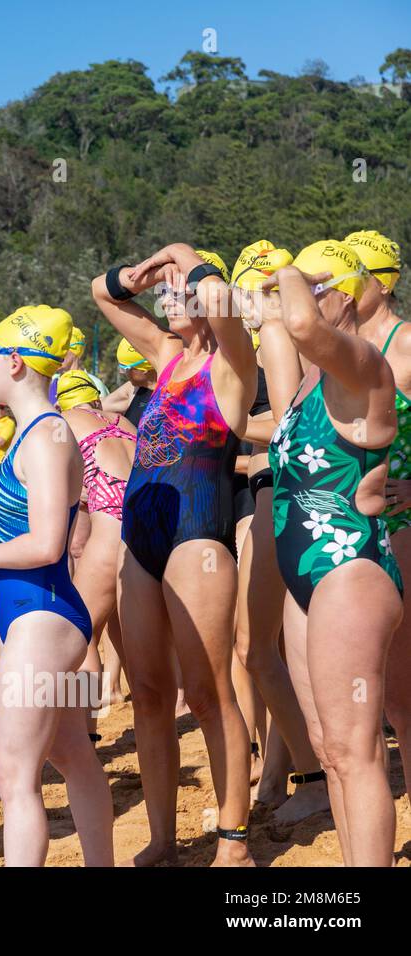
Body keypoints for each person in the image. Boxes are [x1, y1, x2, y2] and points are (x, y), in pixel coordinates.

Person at [93, 246, 257, 866]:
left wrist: (181, 255)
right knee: (151, 695)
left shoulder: (232, 363)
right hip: (143, 538)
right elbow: (102, 294)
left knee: (211, 691)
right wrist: (138, 273)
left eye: (177, 286)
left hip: (197, 536)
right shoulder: (165, 357)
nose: (167, 294)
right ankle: (163, 838)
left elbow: (222, 303)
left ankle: (234, 841)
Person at [0, 306, 112, 867]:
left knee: (14, 775)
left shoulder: (45, 436)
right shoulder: (40, 432)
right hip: (46, 615)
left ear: (15, 363)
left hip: (43, 619)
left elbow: (47, 542)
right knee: (74, 755)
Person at [262, 240, 402, 866]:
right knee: (328, 747)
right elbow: (276, 328)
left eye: (316, 287)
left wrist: (288, 271)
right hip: (304, 578)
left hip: (350, 570)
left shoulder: (363, 366)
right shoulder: (304, 384)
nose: (299, 299)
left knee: (356, 748)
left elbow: (298, 322)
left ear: (344, 294)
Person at [226, 241, 328, 821]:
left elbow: (287, 419)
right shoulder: (286, 335)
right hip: (283, 493)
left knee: (257, 647)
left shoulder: (272, 333)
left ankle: (310, 776)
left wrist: (221, 423)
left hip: (276, 491)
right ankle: (280, 771)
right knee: (275, 647)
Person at [344, 230, 411, 809]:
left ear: (380, 281)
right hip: (342, 532)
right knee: (368, 693)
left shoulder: (407, 343)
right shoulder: (333, 349)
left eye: (349, 275)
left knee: (404, 692)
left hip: (400, 525)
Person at [55, 369, 136, 736]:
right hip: (147, 539)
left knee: (81, 633)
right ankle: (156, 716)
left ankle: (84, 733)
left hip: (109, 538)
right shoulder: (124, 423)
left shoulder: (65, 423)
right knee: (132, 637)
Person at [101, 339, 157, 428]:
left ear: (144, 370)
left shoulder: (174, 393)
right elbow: (98, 407)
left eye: (124, 368)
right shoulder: (133, 389)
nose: (121, 372)